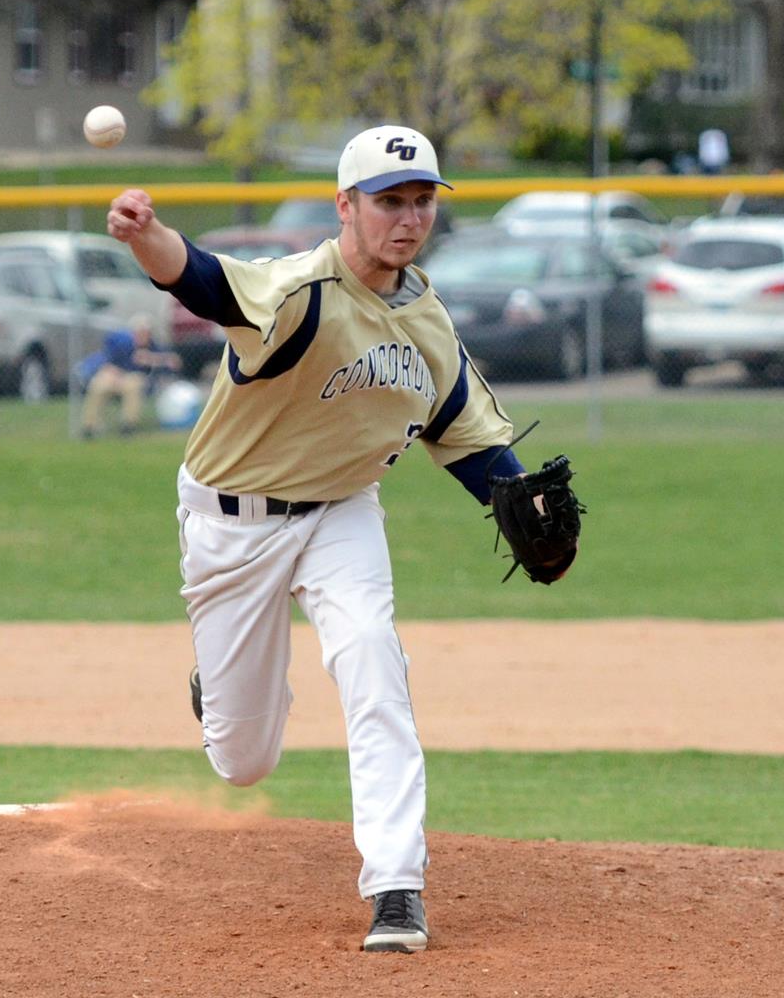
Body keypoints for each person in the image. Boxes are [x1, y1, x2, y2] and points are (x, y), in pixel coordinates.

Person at [106, 124, 574, 953]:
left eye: (423, 200)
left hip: (341, 512)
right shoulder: (299, 290)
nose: (408, 217)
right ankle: (220, 688)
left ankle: (396, 888)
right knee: (243, 761)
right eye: (389, 200)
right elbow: (209, 283)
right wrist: (149, 237)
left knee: (372, 660)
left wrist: (516, 499)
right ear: (346, 206)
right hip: (231, 520)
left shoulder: (425, 321)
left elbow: (465, 435)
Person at [76, 313, 180, 439]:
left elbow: (174, 362)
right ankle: (90, 426)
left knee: (132, 385)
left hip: (137, 378)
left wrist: (150, 359)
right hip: (115, 376)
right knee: (99, 384)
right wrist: (113, 372)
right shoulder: (122, 345)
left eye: (146, 333)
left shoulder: (154, 347)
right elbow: (106, 362)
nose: (143, 336)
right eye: (139, 333)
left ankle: (128, 425)